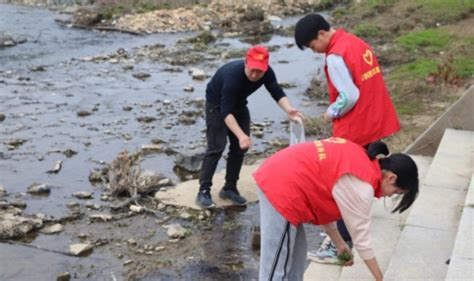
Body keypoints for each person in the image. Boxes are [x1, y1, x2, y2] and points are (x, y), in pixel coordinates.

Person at [294, 13, 401, 262]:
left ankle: (340, 244)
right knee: (365, 172)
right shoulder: (354, 42)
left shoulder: (335, 56)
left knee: (343, 182)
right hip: (374, 118)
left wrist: (331, 112)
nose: (315, 51)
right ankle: (357, 224)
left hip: (355, 127)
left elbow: (349, 95)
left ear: (321, 35)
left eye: (312, 46)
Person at [253, 138, 419, 281]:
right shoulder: (362, 186)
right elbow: (362, 240)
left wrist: (339, 244)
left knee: (295, 259)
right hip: (281, 186)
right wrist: (379, 278)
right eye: (396, 192)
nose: (390, 196)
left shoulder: (363, 160)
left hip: (284, 175)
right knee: (275, 268)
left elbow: (324, 204)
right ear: (391, 178)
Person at [196, 45, 303, 209]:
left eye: (259, 72)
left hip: (239, 105)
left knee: (240, 149)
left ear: (265, 68)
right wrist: (241, 135)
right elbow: (225, 113)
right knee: (216, 147)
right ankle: (203, 191)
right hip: (217, 106)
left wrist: (289, 109)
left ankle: (229, 188)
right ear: (246, 62)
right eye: (252, 70)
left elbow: (276, 91)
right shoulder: (233, 76)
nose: (255, 75)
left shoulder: (267, 72)